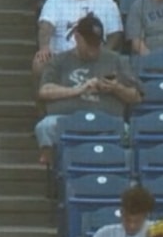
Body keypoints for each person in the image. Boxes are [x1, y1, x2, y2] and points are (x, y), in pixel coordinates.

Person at [34, 14, 141, 167]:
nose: (94, 49)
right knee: (44, 126)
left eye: (97, 44)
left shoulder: (116, 60)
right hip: (66, 120)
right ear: (77, 38)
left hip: (107, 121)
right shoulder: (60, 60)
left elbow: (137, 96)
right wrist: (78, 90)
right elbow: (44, 91)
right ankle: (54, 171)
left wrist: (116, 88)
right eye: (89, 43)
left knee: (128, 131)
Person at [35, 0, 124, 72]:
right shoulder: (55, 0)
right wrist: (44, 47)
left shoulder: (108, 3)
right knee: (39, 62)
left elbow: (115, 35)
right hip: (61, 55)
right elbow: (46, 26)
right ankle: (44, 90)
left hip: (94, 54)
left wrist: (102, 53)